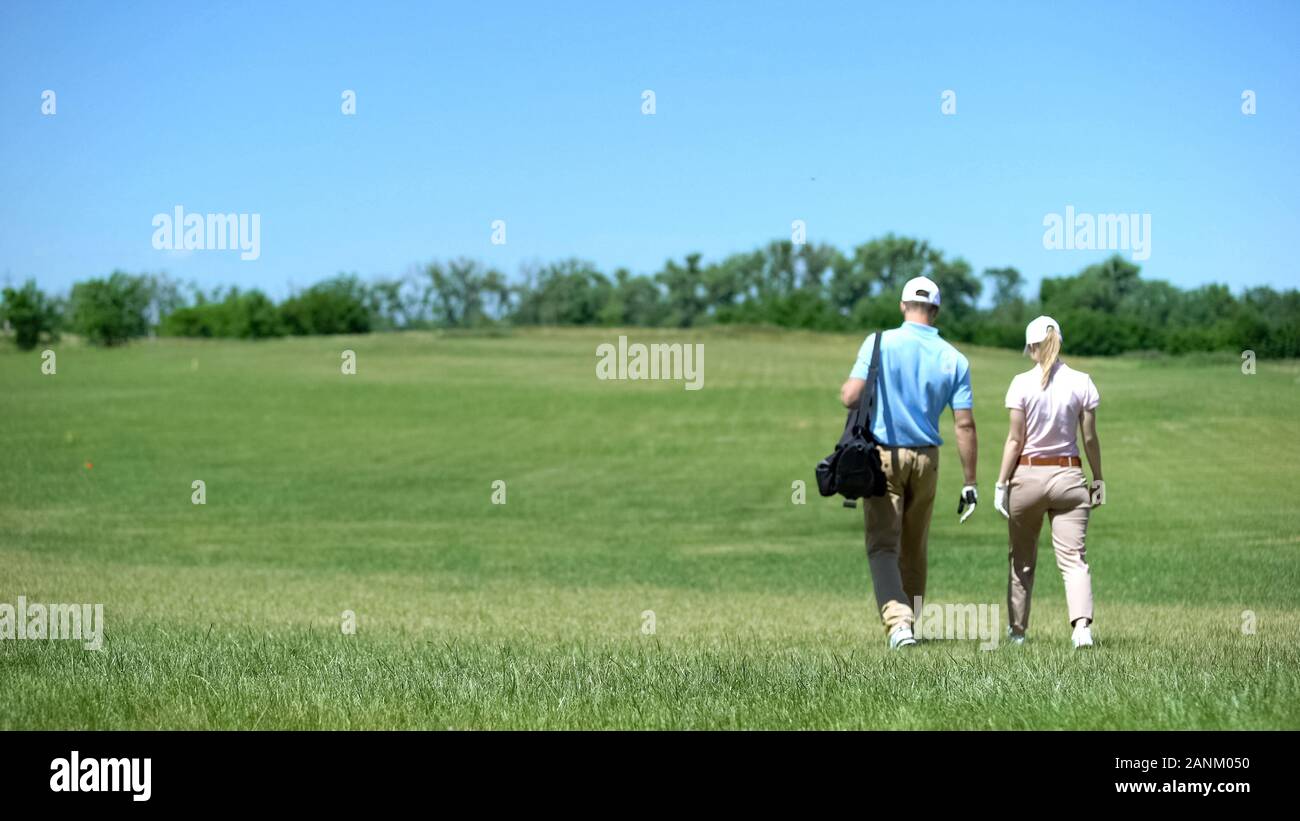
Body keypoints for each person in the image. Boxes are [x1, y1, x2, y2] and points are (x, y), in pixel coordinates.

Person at [840, 276, 979, 650]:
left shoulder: (879, 343)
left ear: (903, 306)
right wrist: (970, 482)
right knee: (915, 545)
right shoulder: (954, 358)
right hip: (928, 459)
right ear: (935, 310)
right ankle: (911, 624)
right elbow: (964, 424)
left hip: (885, 456)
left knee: (884, 545)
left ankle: (898, 624)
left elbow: (850, 397)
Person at [993, 316, 1104, 649]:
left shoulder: (1020, 383)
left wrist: (1001, 484)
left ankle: (1017, 632)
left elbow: (1015, 440)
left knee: (1022, 559)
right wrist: (1098, 478)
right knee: (1074, 559)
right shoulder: (1082, 381)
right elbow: (1089, 439)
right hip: (1070, 477)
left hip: (1027, 477)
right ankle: (1081, 628)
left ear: (1031, 348)